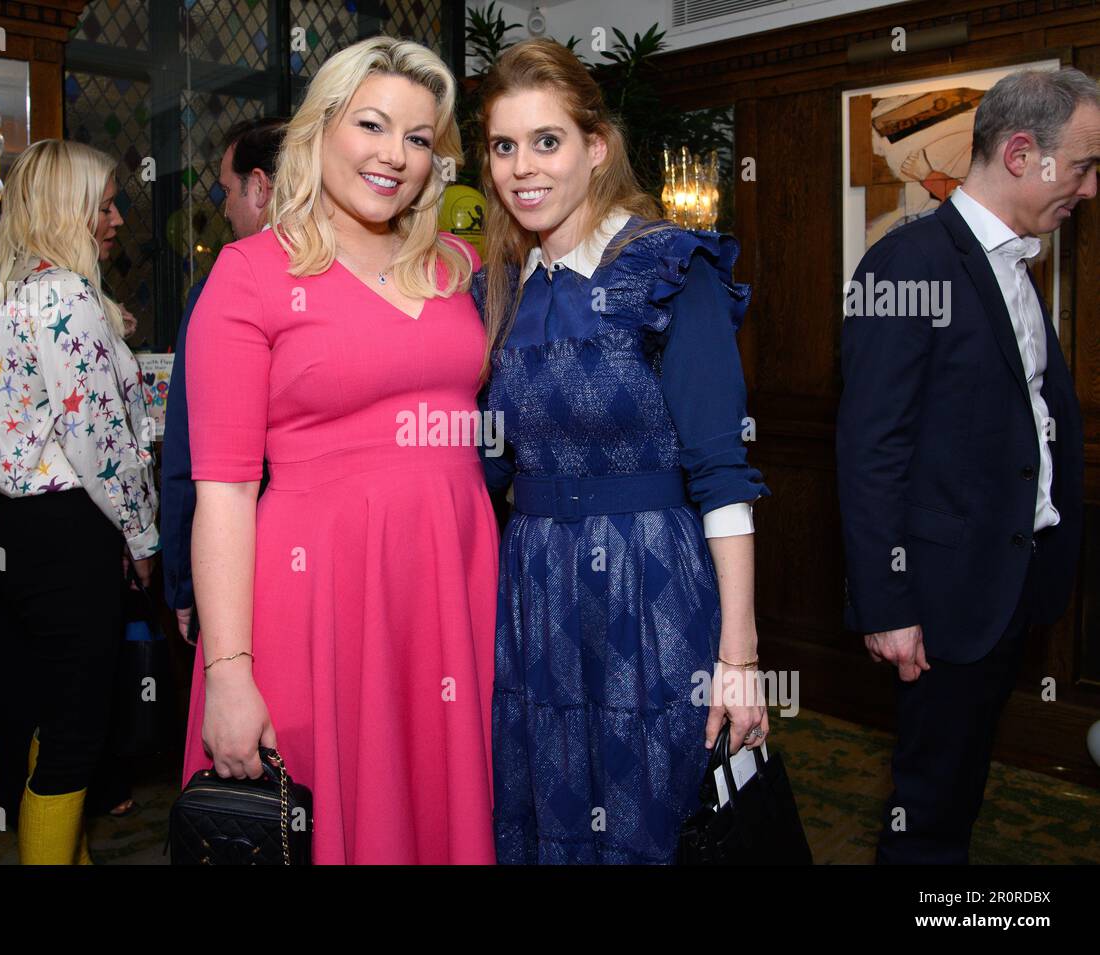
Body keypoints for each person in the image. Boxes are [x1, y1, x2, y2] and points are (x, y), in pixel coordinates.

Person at [181, 36, 496, 864]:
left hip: (445, 598)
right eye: (373, 125)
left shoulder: (455, 267)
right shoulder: (249, 275)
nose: (396, 155)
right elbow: (223, 492)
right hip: (314, 604)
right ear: (320, 130)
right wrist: (228, 671)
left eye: (420, 138)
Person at [474, 39, 770, 864]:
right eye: (504, 146)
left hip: (651, 589)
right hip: (531, 597)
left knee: (656, 817)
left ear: (596, 147)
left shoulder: (671, 268)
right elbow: (480, 468)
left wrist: (738, 656)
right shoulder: (497, 292)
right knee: (543, 814)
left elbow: (722, 477)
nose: (523, 168)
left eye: (548, 141)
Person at [838, 68, 1096, 865]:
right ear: (1023, 154)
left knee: (957, 795)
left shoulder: (1018, 263)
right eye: (1083, 165)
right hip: (940, 598)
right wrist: (887, 602)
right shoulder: (904, 265)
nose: (1090, 189)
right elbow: (870, 447)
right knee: (926, 812)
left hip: (1006, 585)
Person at [0, 139, 159, 865]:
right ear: (67, 211)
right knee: (76, 735)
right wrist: (143, 537)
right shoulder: (64, 297)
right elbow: (101, 440)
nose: (116, 218)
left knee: (53, 723)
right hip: (67, 533)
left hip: (24, 535)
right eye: (104, 203)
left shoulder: (28, 289)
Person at [162, 117, 286, 646]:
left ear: (259, 188)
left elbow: (190, 452)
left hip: (238, 565)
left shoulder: (227, 285)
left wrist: (184, 582)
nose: (227, 205)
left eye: (228, 190)